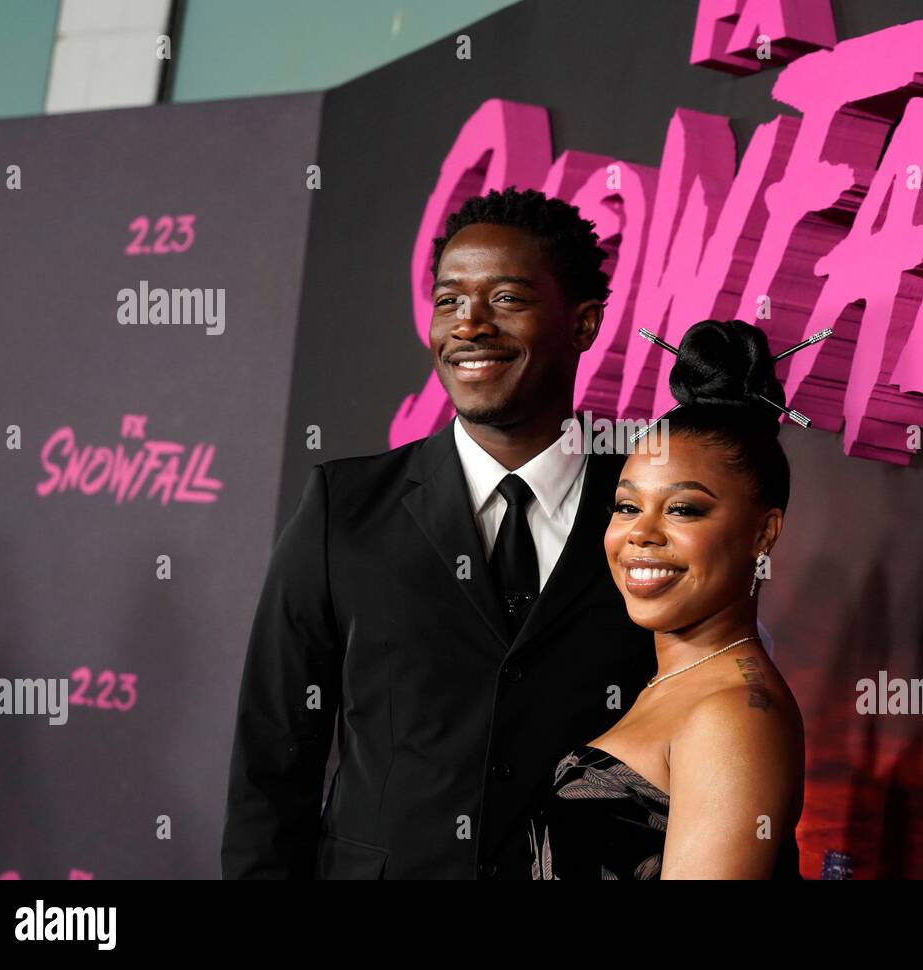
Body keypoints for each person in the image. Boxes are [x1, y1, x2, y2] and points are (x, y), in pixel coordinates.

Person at [220, 187, 657, 879]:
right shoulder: (344, 507)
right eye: (449, 300)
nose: (469, 325)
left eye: (506, 298)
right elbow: (272, 756)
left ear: (584, 323)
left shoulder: (650, 513)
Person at [526, 319, 806, 879]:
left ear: (763, 532)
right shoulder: (677, 682)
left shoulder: (733, 716)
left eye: (682, 509)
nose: (641, 534)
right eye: (627, 507)